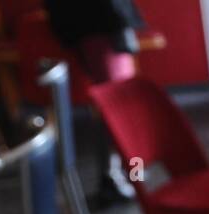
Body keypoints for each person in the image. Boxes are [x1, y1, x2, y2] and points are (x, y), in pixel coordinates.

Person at [44, 0, 145, 201]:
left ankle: (126, 171)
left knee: (118, 104)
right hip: (99, 23)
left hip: (99, 23)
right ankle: (114, 177)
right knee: (115, 105)